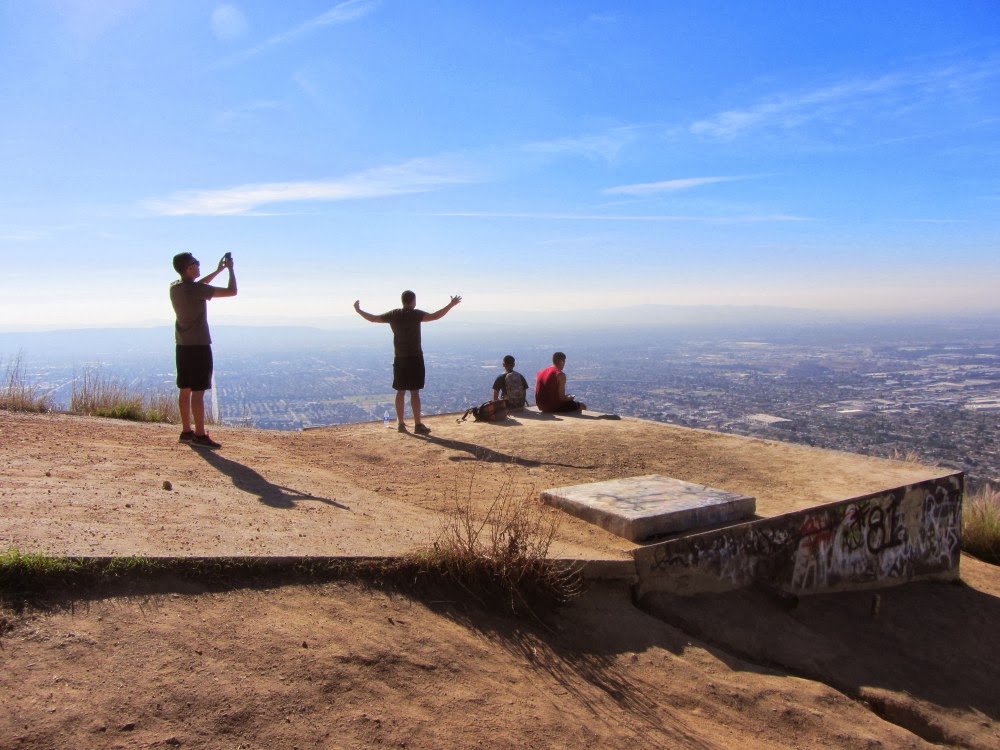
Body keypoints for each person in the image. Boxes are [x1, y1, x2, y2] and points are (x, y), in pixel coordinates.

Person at [354, 290, 461, 434]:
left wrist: (358, 310)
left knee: (400, 391)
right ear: (413, 301)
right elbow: (435, 316)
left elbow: (373, 318)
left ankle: (401, 424)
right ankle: (418, 424)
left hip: (400, 358)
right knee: (415, 392)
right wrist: (451, 304)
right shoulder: (415, 314)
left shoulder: (394, 314)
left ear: (402, 301)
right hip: (415, 357)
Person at [169, 251, 237, 448]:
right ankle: (199, 435)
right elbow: (232, 291)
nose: (199, 266)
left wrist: (218, 270)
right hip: (198, 345)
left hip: (182, 345)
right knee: (198, 392)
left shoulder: (176, 287)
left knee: (185, 389)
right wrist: (231, 270)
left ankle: (186, 432)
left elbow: (199, 286)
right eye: (196, 263)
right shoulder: (193, 289)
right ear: (189, 268)